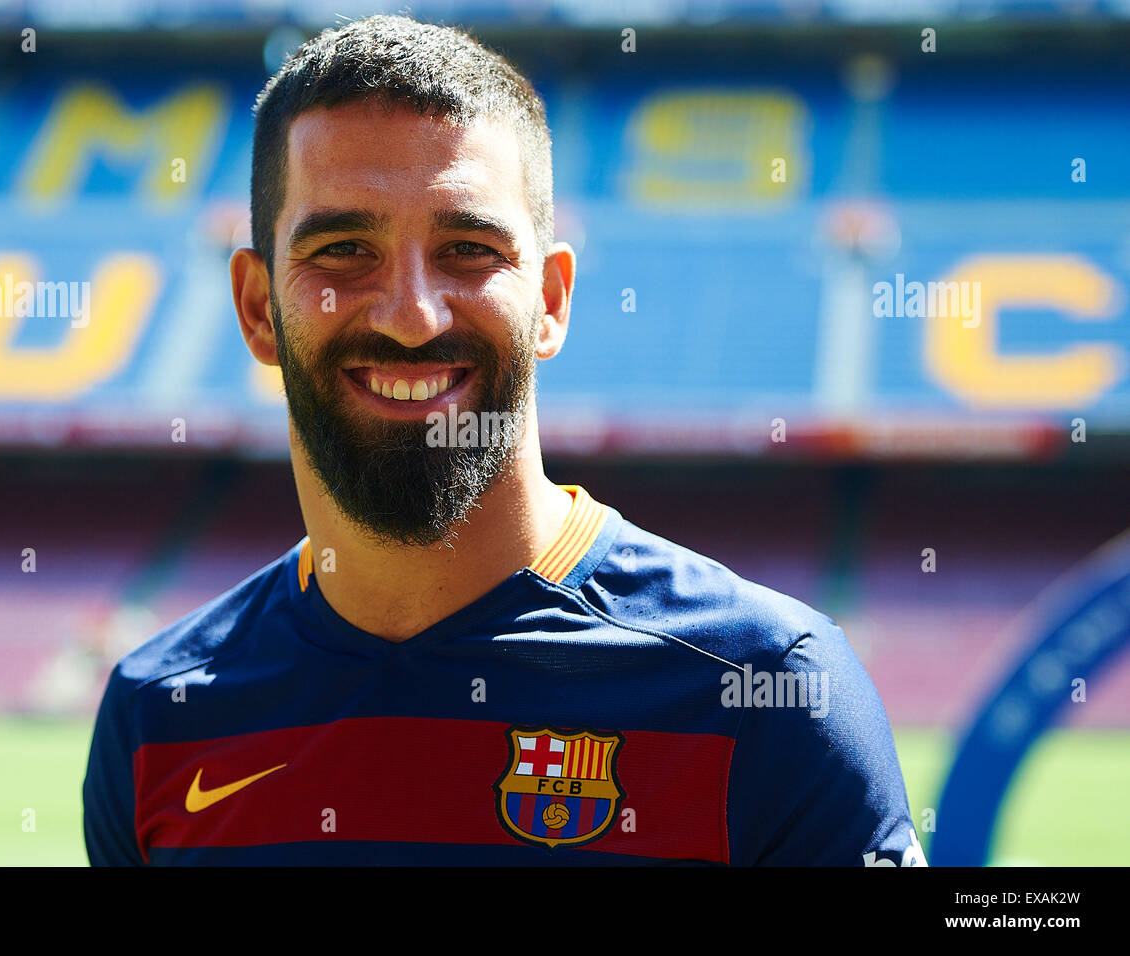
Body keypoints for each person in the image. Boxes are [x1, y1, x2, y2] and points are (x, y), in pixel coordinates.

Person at [83, 13, 925, 866]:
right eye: (342, 250)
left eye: (468, 249)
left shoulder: (771, 692)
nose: (413, 316)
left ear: (553, 300)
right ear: (258, 307)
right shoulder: (158, 717)